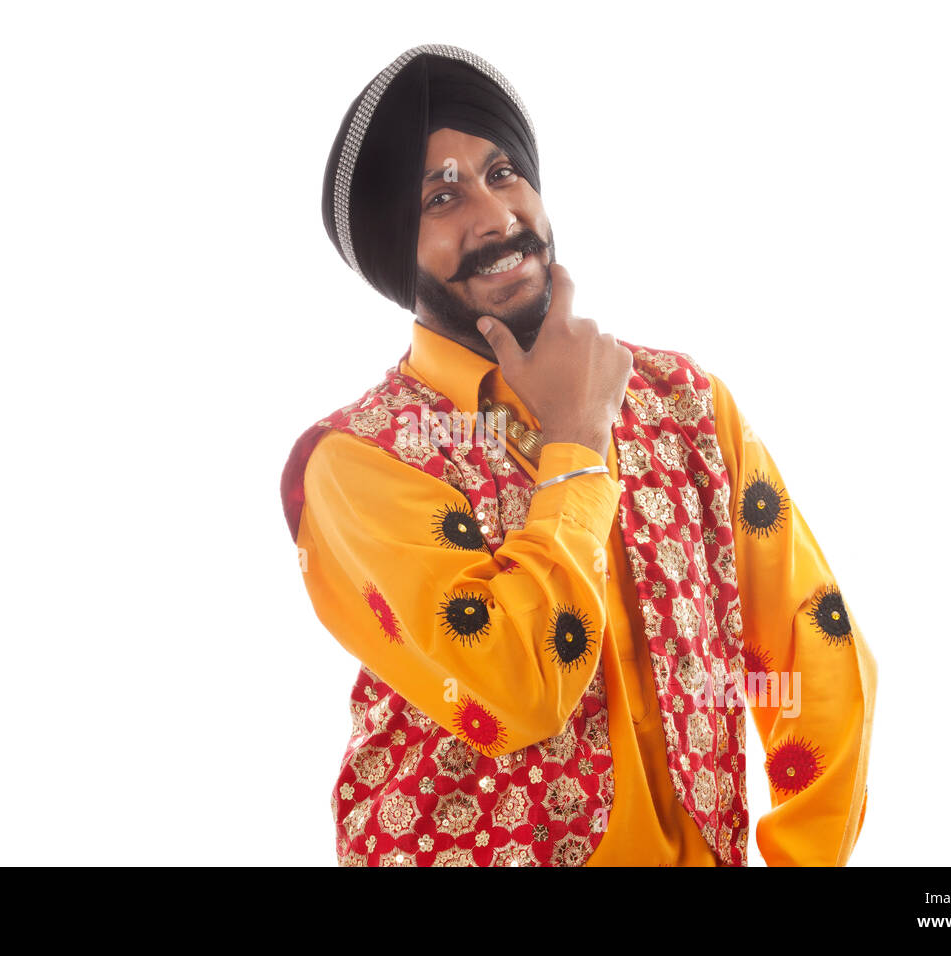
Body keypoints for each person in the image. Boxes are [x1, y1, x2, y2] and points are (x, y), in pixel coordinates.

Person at [280, 44, 876, 866]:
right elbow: (519, 688)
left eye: (503, 173)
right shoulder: (360, 463)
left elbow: (820, 656)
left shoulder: (682, 402)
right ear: (392, 248)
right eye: (442, 196)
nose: (494, 217)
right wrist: (576, 446)